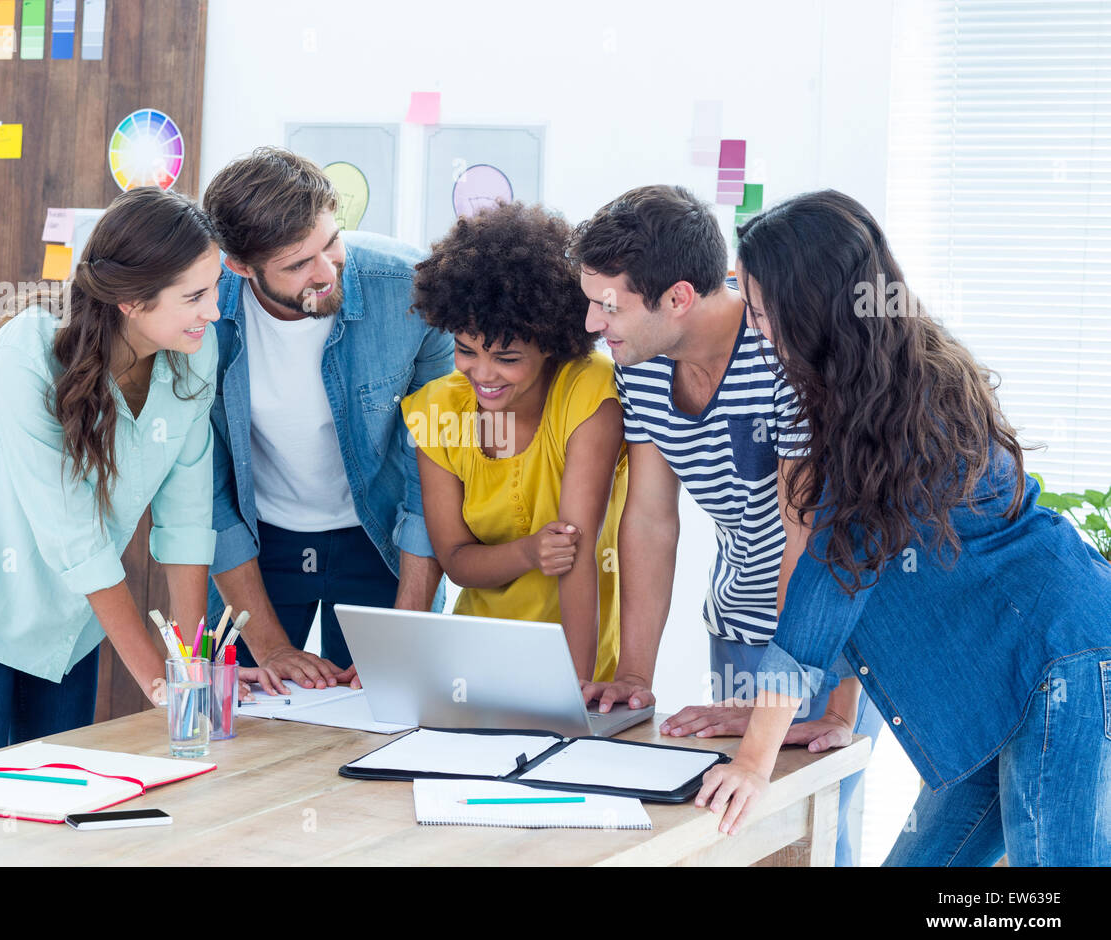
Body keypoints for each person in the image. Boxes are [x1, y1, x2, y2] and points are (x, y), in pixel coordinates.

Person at [693, 189, 1111, 866]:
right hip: (1001, 677)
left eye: (764, 312)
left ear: (811, 311)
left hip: (1059, 661)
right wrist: (781, 722)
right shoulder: (879, 381)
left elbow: (831, 581)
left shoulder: (906, 414)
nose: (756, 328)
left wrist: (753, 757)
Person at [0, 187, 281, 767]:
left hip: (73, 621)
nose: (215, 311)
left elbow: (185, 520)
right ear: (131, 300)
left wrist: (190, 664)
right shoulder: (27, 354)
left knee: (57, 806)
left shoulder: (195, 353)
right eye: (195, 296)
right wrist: (160, 685)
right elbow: (74, 533)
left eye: (216, 289)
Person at [573, 185, 882, 866]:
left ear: (678, 298)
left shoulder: (785, 350)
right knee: (748, 834)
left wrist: (816, 692)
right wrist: (634, 673)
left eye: (609, 305)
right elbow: (651, 519)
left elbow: (810, 535)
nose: (595, 324)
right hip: (739, 623)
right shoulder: (638, 364)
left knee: (817, 831)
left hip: (824, 636)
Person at [202, 148, 453, 691]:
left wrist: (407, 626)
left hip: (385, 540)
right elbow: (206, 490)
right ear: (239, 267)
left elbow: (431, 467)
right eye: (297, 265)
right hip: (254, 545)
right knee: (242, 726)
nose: (326, 271)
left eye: (331, 241)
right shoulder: (201, 314)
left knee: (388, 716)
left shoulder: (415, 292)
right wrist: (269, 646)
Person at [403, 202, 627, 681]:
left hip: (575, 661)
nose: (482, 374)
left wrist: (576, 690)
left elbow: (575, 555)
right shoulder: (439, 411)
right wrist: (528, 552)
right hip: (472, 665)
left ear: (550, 341)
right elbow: (457, 562)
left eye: (506, 357)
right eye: (465, 350)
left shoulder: (588, 392)